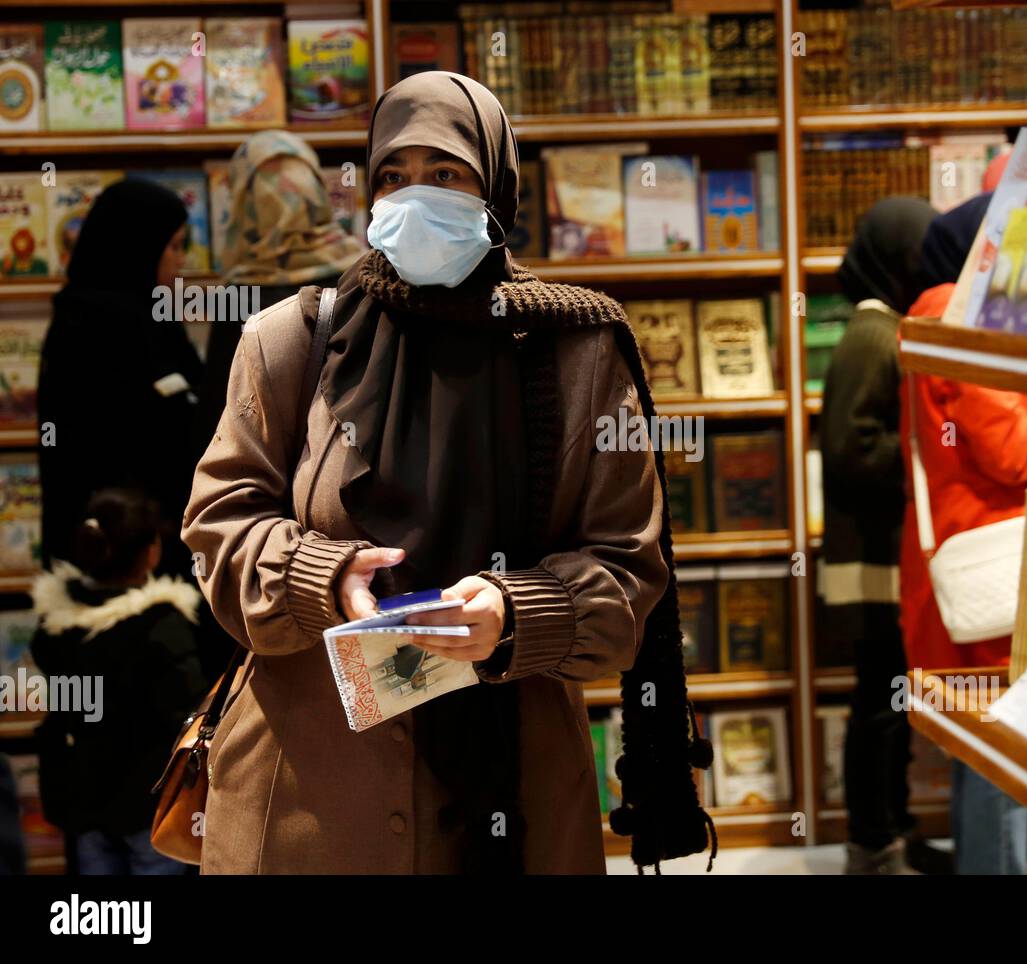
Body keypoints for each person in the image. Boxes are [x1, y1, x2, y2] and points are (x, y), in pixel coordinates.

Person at [182, 72, 711, 875]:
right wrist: (322, 579)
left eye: (447, 174)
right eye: (392, 176)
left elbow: (628, 571)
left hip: (519, 802)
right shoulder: (293, 341)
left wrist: (514, 611)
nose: (413, 198)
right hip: (306, 804)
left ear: (496, 187)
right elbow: (219, 531)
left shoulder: (576, 355)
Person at [900, 194, 1027, 874]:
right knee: (1004, 746)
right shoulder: (967, 316)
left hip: (968, 548)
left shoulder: (935, 314)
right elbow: (1013, 449)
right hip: (998, 555)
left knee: (981, 743)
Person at [822, 196, 935, 874]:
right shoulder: (873, 335)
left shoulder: (888, 326)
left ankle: (895, 827)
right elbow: (850, 448)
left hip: (882, 554)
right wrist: (925, 451)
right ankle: (873, 843)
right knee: (880, 703)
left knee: (892, 701)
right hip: (872, 558)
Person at [30, 488, 207, 875]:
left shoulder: (56, 626)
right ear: (151, 551)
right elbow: (185, 719)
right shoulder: (162, 627)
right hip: (148, 805)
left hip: (82, 798)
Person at [38, 179, 200, 580]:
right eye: (174, 246)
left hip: (156, 546)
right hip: (120, 557)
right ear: (139, 247)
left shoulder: (149, 318)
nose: (180, 261)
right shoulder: (92, 328)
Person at [195, 130, 364, 452]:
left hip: (264, 476)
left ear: (244, 200)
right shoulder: (359, 275)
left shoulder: (241, 292)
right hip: (348, 469)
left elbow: (215, 418)